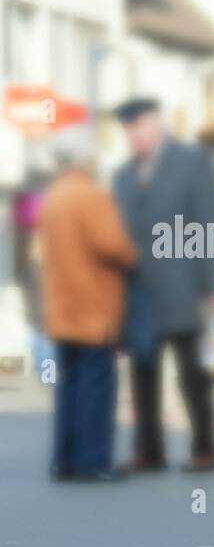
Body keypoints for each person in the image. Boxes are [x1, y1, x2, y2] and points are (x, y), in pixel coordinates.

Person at [112, 98, 214, 473]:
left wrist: (212, 282)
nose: (133, 134)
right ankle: (149, 450)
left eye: (139, 125)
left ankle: (204, 447)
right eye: (128, 129)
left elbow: (209, 221)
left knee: (192, 369)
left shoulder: (191, 162)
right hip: (139, 290)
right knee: (143, 370)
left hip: (183, 284)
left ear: (157, 123)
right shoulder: (124, 176)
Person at [37, 125, 137, 482]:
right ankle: (92, 462)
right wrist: (136, 256)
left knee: (69, 384)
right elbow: (113, 245)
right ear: (86, 159)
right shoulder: (91, 195)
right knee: (96, 384)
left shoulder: (55, 196)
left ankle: (64, 460)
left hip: (62, 305)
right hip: (93, 304)